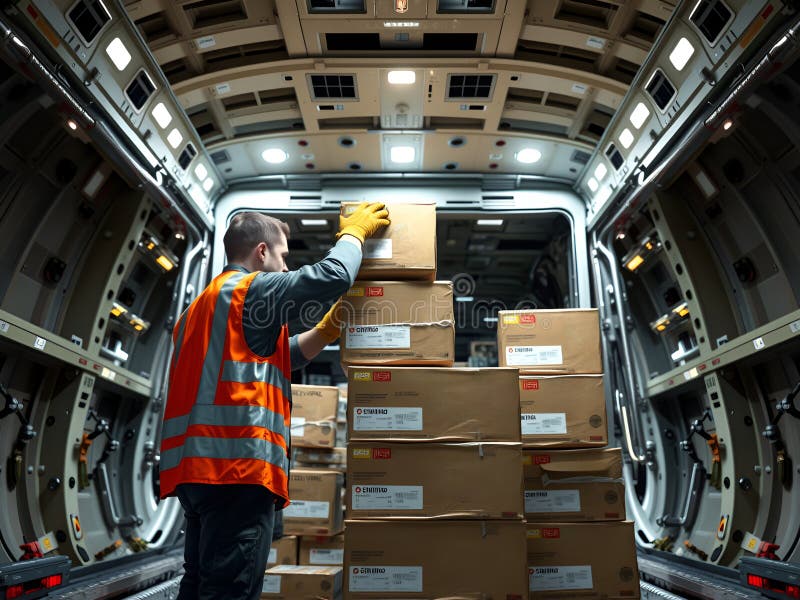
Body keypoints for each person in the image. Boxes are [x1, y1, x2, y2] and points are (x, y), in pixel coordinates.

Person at [159, 202, 390, 600]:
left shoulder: (200, 307)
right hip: (237, 470)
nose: (285, 267)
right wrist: (354, 233)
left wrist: (323, 330)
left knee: (198, 584)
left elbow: (272, 359)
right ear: (261, 252)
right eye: (283, 256)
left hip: (197, 475)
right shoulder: (250, 291)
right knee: (230, 590)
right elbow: (331, 276)